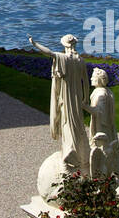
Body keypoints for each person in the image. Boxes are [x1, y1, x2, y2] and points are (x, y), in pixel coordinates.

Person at [29, 33, 90, 178]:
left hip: (66, 98)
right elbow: (86, 82)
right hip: (76, 98)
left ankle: (69, 156)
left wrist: (34, 44)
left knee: (67, 124)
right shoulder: (80, 60)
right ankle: (78, 155)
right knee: (76, 126)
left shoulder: (62, 58)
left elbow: (48, 53)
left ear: (65, 45)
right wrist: (86, 98)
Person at [85, 67, 119, 196]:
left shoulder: (100, 94)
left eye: (93, 77)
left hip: (102, 130)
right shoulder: (107, 91)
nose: (91, 78)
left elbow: (100, 114)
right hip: (109, 130)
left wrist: (83, 106)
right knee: (114, 158)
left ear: (99, 79)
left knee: (103, 159)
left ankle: (100, 188)